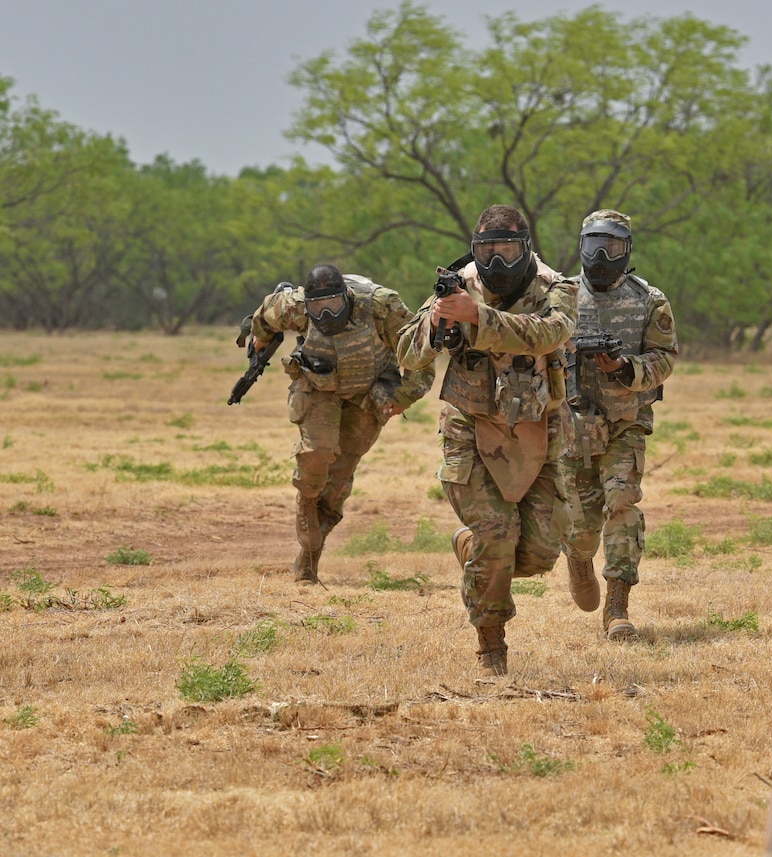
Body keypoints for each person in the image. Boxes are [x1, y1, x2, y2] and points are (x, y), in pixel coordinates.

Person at [396, 204, 577, 676]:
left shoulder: (555, 286)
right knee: (497, 536)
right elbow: (405, 352)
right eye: (486, 250)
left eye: (506, 250)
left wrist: (478, 316)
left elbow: (549, 334)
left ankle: (470, 550)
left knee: (537, 555)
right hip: (470, 429)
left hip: (539, 429)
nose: (495, 262)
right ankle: (491, 647)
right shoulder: (459, 283)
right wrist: (437, 323)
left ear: (526, 248)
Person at [247, 263, 434, 585]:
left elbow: (419, 352)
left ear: (346, 297)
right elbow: (265, 314)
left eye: (332, 305)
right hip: (318, 389)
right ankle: (306, 502)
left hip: (368, 392)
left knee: (338, 479)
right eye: (317, 307)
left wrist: (404, 396)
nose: (326, 314)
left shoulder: (381, 305)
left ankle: (309, 557)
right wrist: (259, 340)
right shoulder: (293, 305)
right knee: (317, 454)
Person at [561, 209, 678, 640]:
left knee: (622, 503)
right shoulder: (560, 296)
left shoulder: (649, 299)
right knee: (580, 524)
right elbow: (533, 346)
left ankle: (616, 609)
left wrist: (626, 368)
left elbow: (665, 357)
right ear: (582, 245)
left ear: (626, 250)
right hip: (573, 424)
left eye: (611, 247)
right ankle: (576, 557)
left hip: (627, 420)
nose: (601, 256)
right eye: (594, 245)